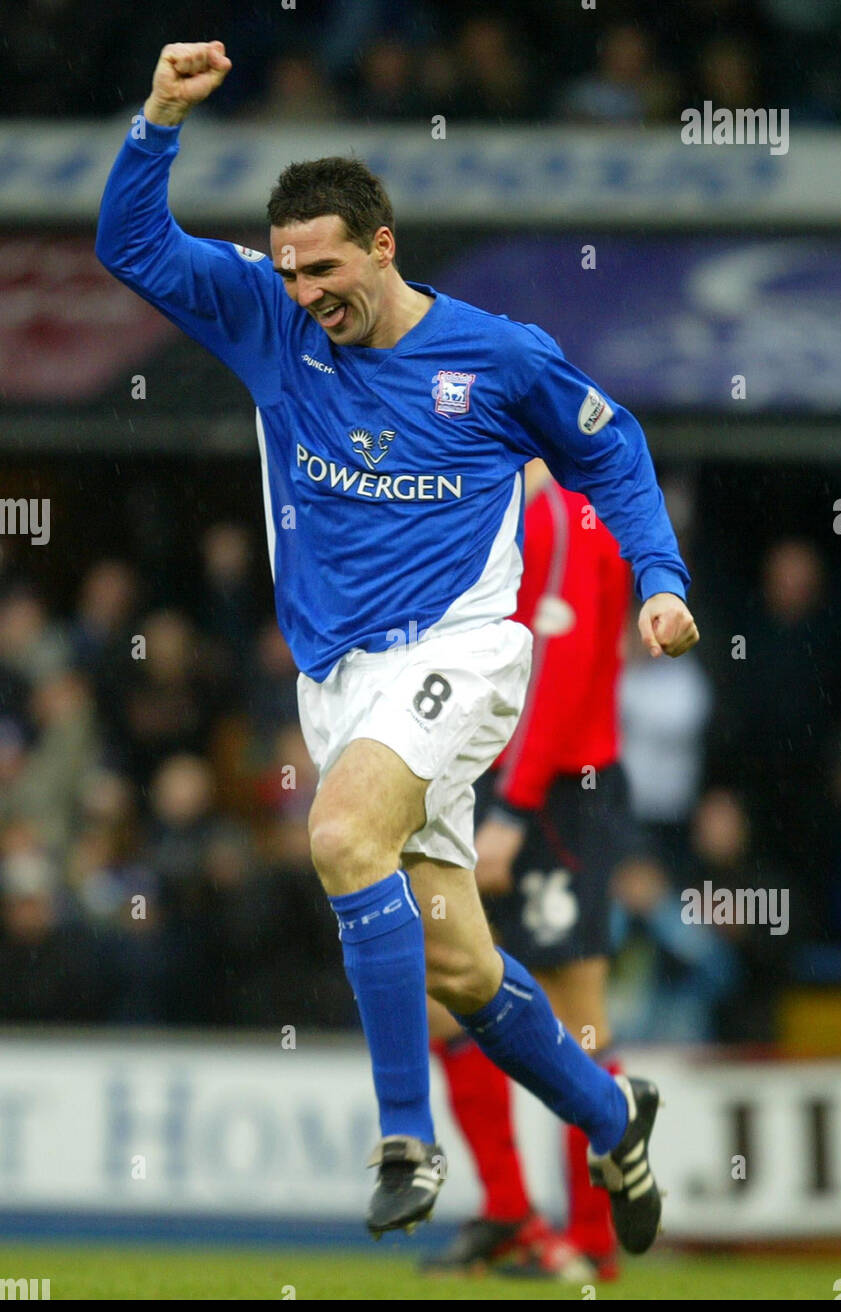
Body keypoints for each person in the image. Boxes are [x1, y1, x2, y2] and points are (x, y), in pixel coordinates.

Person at [96, 41, 699, 1245]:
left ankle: (401, 1137)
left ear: (382, 246)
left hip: (462, 653)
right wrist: (158, 117)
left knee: (336, 833)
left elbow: (610, 443)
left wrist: (658, 578)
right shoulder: (271, 316)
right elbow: (132, 245)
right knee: (462, 971)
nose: (307, 290)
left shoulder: (495, 356)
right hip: (341, 681)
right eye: (289, 269)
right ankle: (612, 1115)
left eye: (325, 267)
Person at [426, 457, 633, 1280]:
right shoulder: (517, 518)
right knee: (445, 994)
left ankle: (589, 1238)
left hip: (553, 799)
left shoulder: (563, 521)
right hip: (493, 786)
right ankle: (509, 1211)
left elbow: (559, 675)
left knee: (575, 1008)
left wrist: (511, 809)